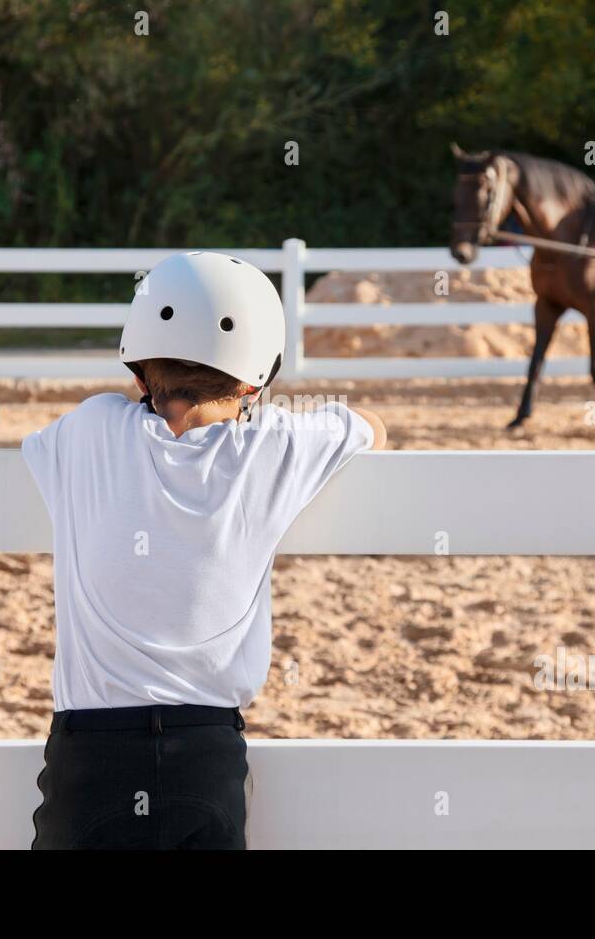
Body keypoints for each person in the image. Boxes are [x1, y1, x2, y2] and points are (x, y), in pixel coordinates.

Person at [22, 251, 386, 849]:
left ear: (138, 371)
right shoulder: (274, 446)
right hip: (207, 755)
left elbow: (95, 422)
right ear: (253, 381)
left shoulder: (89, 431)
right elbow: (368, 424)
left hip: (88, 759)